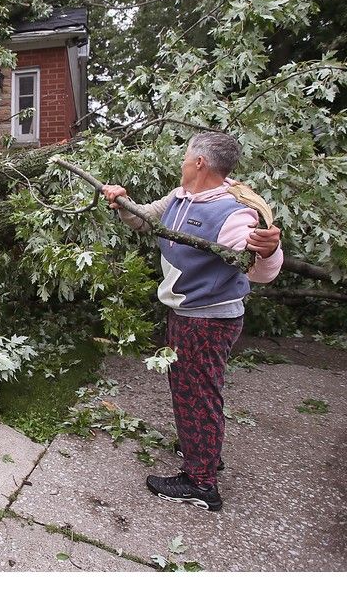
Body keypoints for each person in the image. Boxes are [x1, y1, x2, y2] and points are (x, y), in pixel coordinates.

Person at [101, 132, 283, 512]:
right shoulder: (180, 197)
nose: (182, 162)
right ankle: (203, 451)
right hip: (185, 312)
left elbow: (260, 271)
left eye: (186, 155)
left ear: (199, 162)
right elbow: (145, 219)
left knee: (197, 394)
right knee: (189, 388)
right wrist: (122, 202)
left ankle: (201, 483)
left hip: (208, 320)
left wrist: (269, 252)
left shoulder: (233, 213)